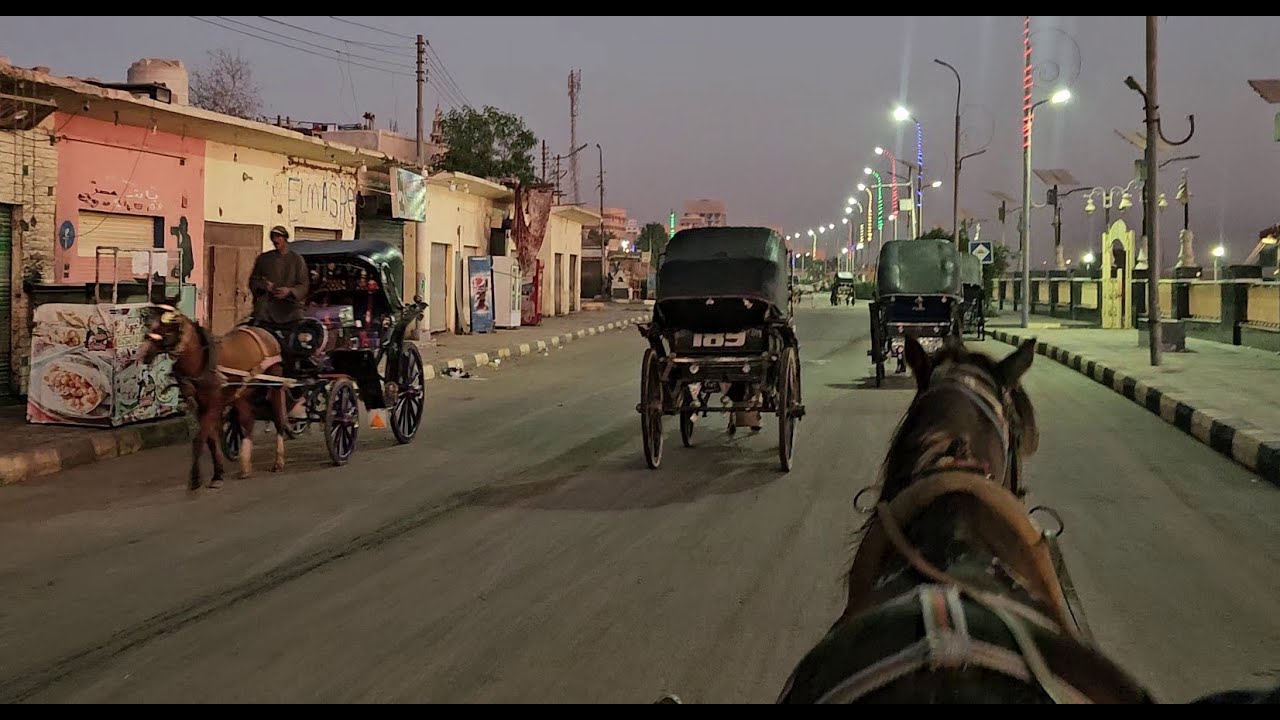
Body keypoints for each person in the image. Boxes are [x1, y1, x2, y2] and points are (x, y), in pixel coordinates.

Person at [248, 226, 309, 327]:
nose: (275, 240)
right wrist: (264, 285)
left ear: (285, 238)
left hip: (290, 308)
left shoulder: (297, 259)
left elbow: (303, 285)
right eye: (273, 237)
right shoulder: (264, 259)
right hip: (268, 308)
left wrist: (290, 291)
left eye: (278, 236)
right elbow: (253, 281)